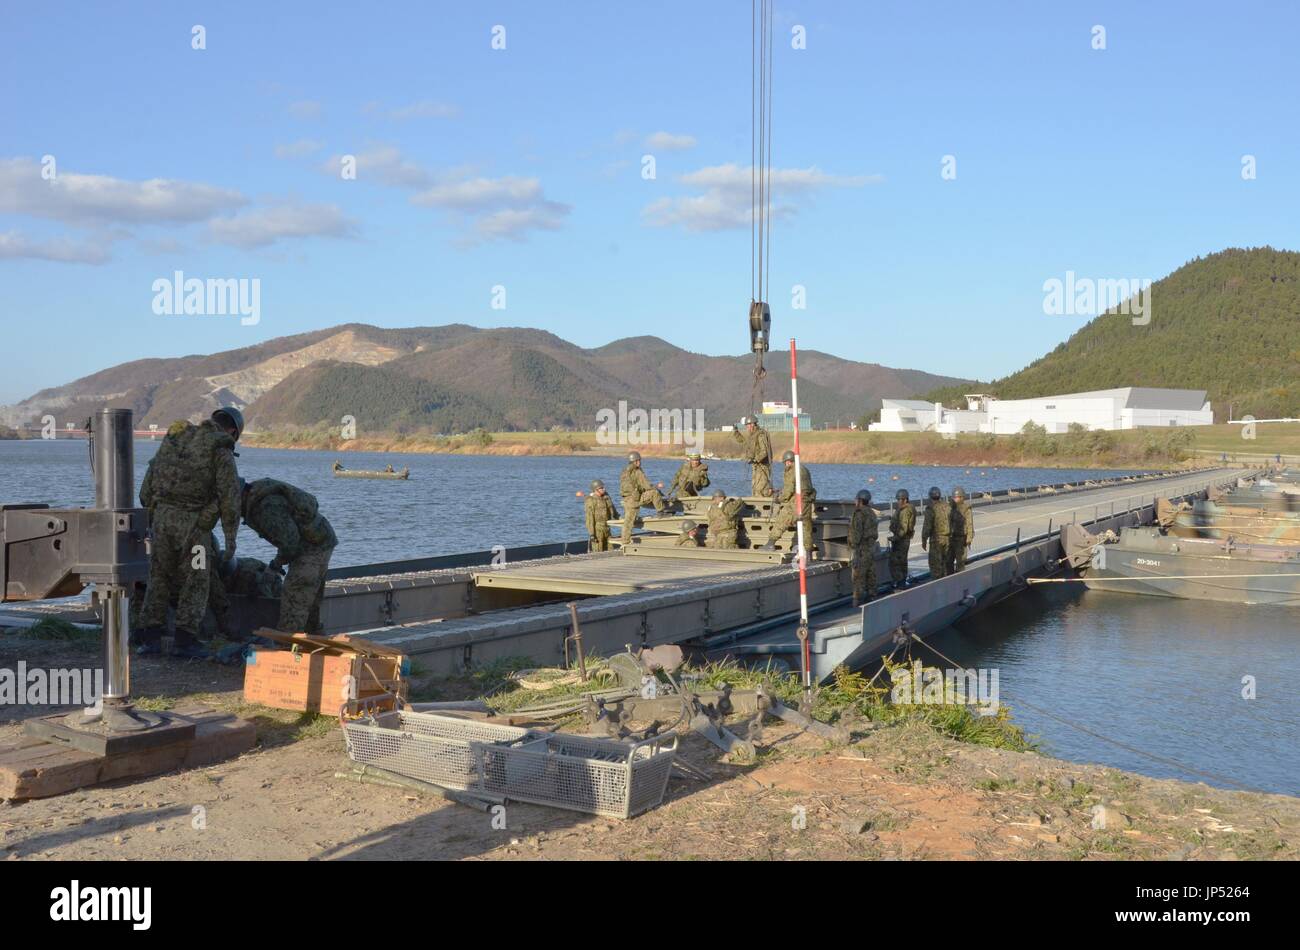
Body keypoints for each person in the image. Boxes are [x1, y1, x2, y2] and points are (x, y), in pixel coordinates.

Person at [136, 407, 243, 658]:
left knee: (159, 577)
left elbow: (146, 491)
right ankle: (185, 641)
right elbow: (230, 499)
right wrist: (230, 540)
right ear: (232, 431)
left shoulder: (176, 439)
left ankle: (148, 638)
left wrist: (155, 514)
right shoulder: (220, 448)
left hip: (162, 523)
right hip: (193, 530)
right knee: (195, 580)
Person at [241, 478, 337, 634]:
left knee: (294, 598)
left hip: (313, 546)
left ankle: (287, 647)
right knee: (309, 602)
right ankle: (314, 643)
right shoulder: (256, 493)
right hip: (318, 540)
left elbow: (290, 543)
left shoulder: (265, 507)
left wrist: (275, 565)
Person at [763, 451, 815, 552]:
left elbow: (789, 489)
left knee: (781, 520)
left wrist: (780, 499)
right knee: (806, 528)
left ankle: (771, 543)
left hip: (796, 502)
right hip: (807, 502)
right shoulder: (804, 469)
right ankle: (808, 553)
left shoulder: (792, 470)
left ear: (788, 462)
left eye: (785, 462)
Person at [619, 451, 667, 541]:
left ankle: (625, 541)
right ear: (636, 461)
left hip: (626, 499)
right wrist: (657, 487)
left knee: (627, 522)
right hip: (635, 499)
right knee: (654, 493)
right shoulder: (637, 471)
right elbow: (647, 485)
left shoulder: (625, 471)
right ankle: (661, 512)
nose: (640, 462)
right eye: (639, 460)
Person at [848, 489, 879, 606]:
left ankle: (857, 599)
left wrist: (854, 547)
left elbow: (856, 532)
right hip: (871, 547)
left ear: (860, 500)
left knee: (858, 574)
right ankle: (872, 595)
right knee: (871, 572)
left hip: (861, 548)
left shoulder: (859, 513)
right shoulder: (871, 513)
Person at [731, 416, 774, 497]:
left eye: (748, 425)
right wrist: (736, 432)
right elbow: (744, 442)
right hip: (756, 467)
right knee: (754, 488)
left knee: (761, 489)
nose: (747, 427)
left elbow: (764, 451)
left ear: (753, 424)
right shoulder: (752, 436)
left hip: (763, 467)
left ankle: (763, 507)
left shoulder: (761, 434)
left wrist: (755, 459)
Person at [921, 486, 953, 580]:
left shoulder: (931, 508)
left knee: (935, 565)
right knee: (946, 563)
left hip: (936, 540)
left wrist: (924, 540)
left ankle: (937, 584)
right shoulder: (948, 506)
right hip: (948, 539)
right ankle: (947, 582)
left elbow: (927, 526)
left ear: (930, 497)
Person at [888, 488, 916, 588]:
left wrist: (895, 537)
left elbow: (903, 528)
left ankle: (899, 582)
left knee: (896, 562)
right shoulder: (906, 509)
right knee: (902, 562)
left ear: (904, 499)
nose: (897, 502)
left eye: (899, 500)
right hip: (903, 539)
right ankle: (901, 582)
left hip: (901, 540)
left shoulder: (905, 511)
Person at [584, 479, 619, 552]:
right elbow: (589, 518)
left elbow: (614, 511)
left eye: (603, 487)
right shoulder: (591, 500)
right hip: (597, 529)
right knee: (598, 551)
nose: (604, 489)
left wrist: (621, 520)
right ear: (596, 490)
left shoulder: (606, 497)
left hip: (607, 527)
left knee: (610, 550)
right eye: (601, 488)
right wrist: (592, 534)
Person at [948, 487, 975, 573]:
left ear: (962, 497)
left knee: (960, 563)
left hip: (961, 539)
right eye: (954, 497)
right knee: (948, 561)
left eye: (957, 497)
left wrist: (969, 538)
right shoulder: (949, 508)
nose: (955, 499)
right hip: (951, 538)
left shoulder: (966, 508)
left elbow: (970, 523)